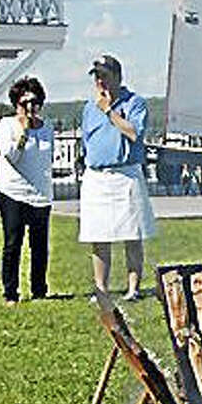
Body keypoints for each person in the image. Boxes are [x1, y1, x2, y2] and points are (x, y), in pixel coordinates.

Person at [79, 55, 156, 300]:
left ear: (118, 77)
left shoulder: (135, 103)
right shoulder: (89, 108)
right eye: (97, 76)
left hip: (125, 174)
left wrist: (110, 111)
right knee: (98, 235)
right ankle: (101, 288)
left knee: (132, 234)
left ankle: (133, 288)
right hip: (97, 176)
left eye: (105, 75)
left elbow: (134, 133)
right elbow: (87, 141)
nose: (100, 81)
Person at [0, 77, 54, 306]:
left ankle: (39, 289)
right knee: (13, 243)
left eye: (35, 102)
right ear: (16, 103)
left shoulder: (47, 127)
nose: (30, 107)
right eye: (25, 102)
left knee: (40, 245)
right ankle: (11, 292)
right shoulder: (7, 125)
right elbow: (12, 156)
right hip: (13, 192)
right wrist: (25, 131)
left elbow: (47, 158)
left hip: (40, 194)